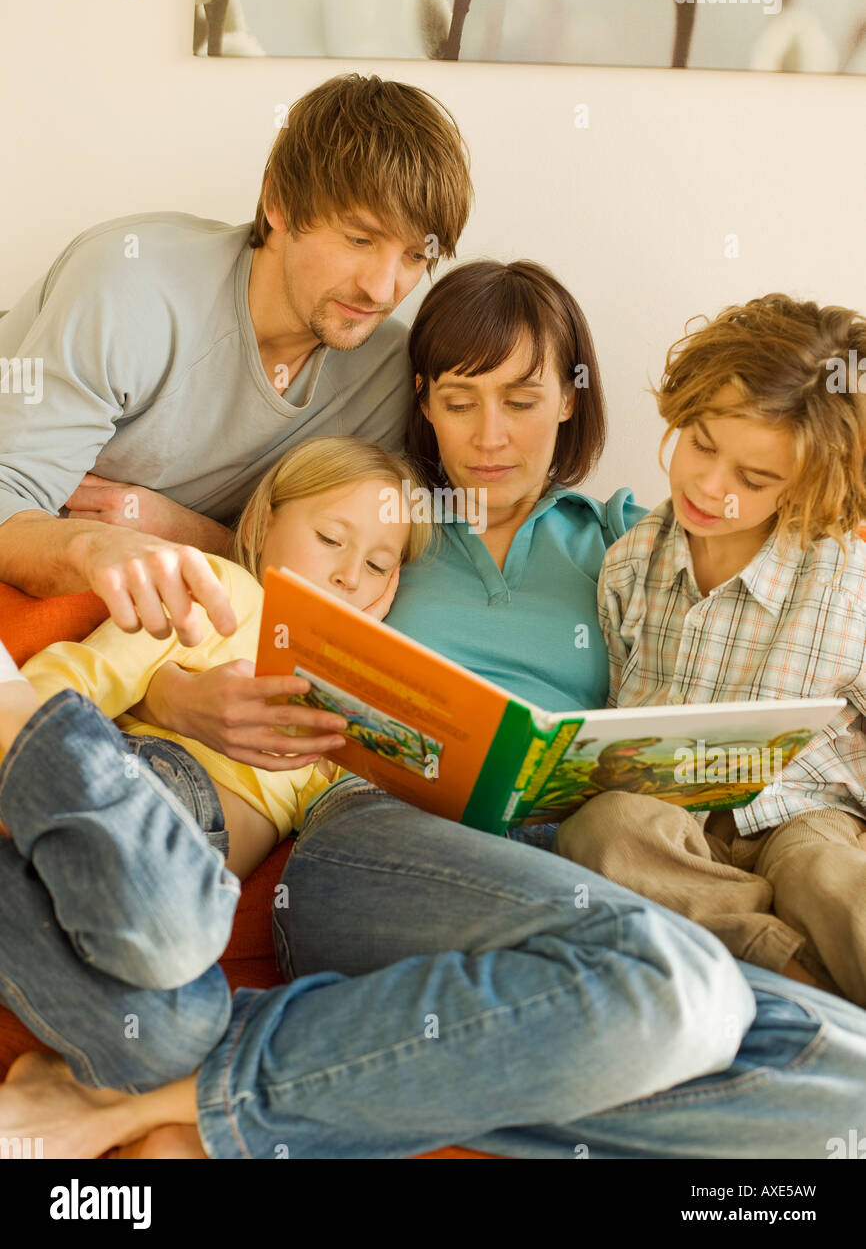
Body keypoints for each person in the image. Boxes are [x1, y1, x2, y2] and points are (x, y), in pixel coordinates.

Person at [3, 262, 865, 1160]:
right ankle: (224, 1098)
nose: (490, 437)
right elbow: (267, 567)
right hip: (374, 829)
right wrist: (168, 635)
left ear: (571, 402)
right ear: (423, 403)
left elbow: (770, 515)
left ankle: (250, 1090)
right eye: (460, 401)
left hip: (556, 863)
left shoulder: (627, 541)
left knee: (847, 1082)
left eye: (524, 401)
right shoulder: (391, 516)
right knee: (676, 991)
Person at [0, 73, 472, 660]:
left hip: (171, 633)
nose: (382, 288)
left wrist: (181, 533)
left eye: (414, 256)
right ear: (279, 202)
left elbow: (329, 567)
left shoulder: (386, 376)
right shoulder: (130, 290)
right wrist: (96, 548)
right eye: (359, 239)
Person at [555, 294, 866, 1006]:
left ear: (808, 486)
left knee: (825, 879)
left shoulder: (847, 579)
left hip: (805, 814)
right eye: (700, 442)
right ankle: (789, 966)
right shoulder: (630, 564)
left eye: (753, 481)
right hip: (675, 828)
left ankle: (774, 945)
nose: (710, 485)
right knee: (604, 831)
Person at [7, 437, 430, 888]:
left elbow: (328, 808)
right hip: (155, 784)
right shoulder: (222, 591)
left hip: (200, 878)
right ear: (261, 528)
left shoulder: (345, 687)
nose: (349, 574)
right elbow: (90, 673)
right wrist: (20, 740)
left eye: (377, 565)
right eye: (330, 538)